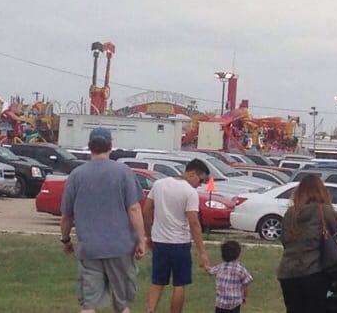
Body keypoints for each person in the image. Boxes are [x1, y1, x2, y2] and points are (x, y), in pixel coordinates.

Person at [59, 127, 147, 313]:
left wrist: (66, 240)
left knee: (89, 304)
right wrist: (141, 239)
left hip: (90, 248)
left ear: (90, 147)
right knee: (122, 305)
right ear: (110, 146)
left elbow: (66, 215)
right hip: (121, 248)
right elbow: (133, 208)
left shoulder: (76, 175)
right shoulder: (124, 172)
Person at [143, 158, 212, 313]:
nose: (199, 184)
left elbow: (146, 210)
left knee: (157, 281)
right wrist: (202, 252)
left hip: (159, 241)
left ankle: (150, 310)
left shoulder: (159, 184)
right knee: (179, 284)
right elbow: (194, 223)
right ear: (193, 173)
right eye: (200, 180)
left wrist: (148, 234)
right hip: (180, 243)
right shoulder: (190, 192)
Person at [277, 173, 337, 313]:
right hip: (315, 271)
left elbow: (284, 240)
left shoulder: (291, 213)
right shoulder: (324, 211)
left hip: (288, 272)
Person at [207, 239, 253, 313]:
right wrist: (244, 296)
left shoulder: (220, 267)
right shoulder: (240, 269)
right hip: (235, 303)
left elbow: (210, 271)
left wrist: (206, 266)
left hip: (220, 303)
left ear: (222, 255)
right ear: (238, 254)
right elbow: (246, 284)